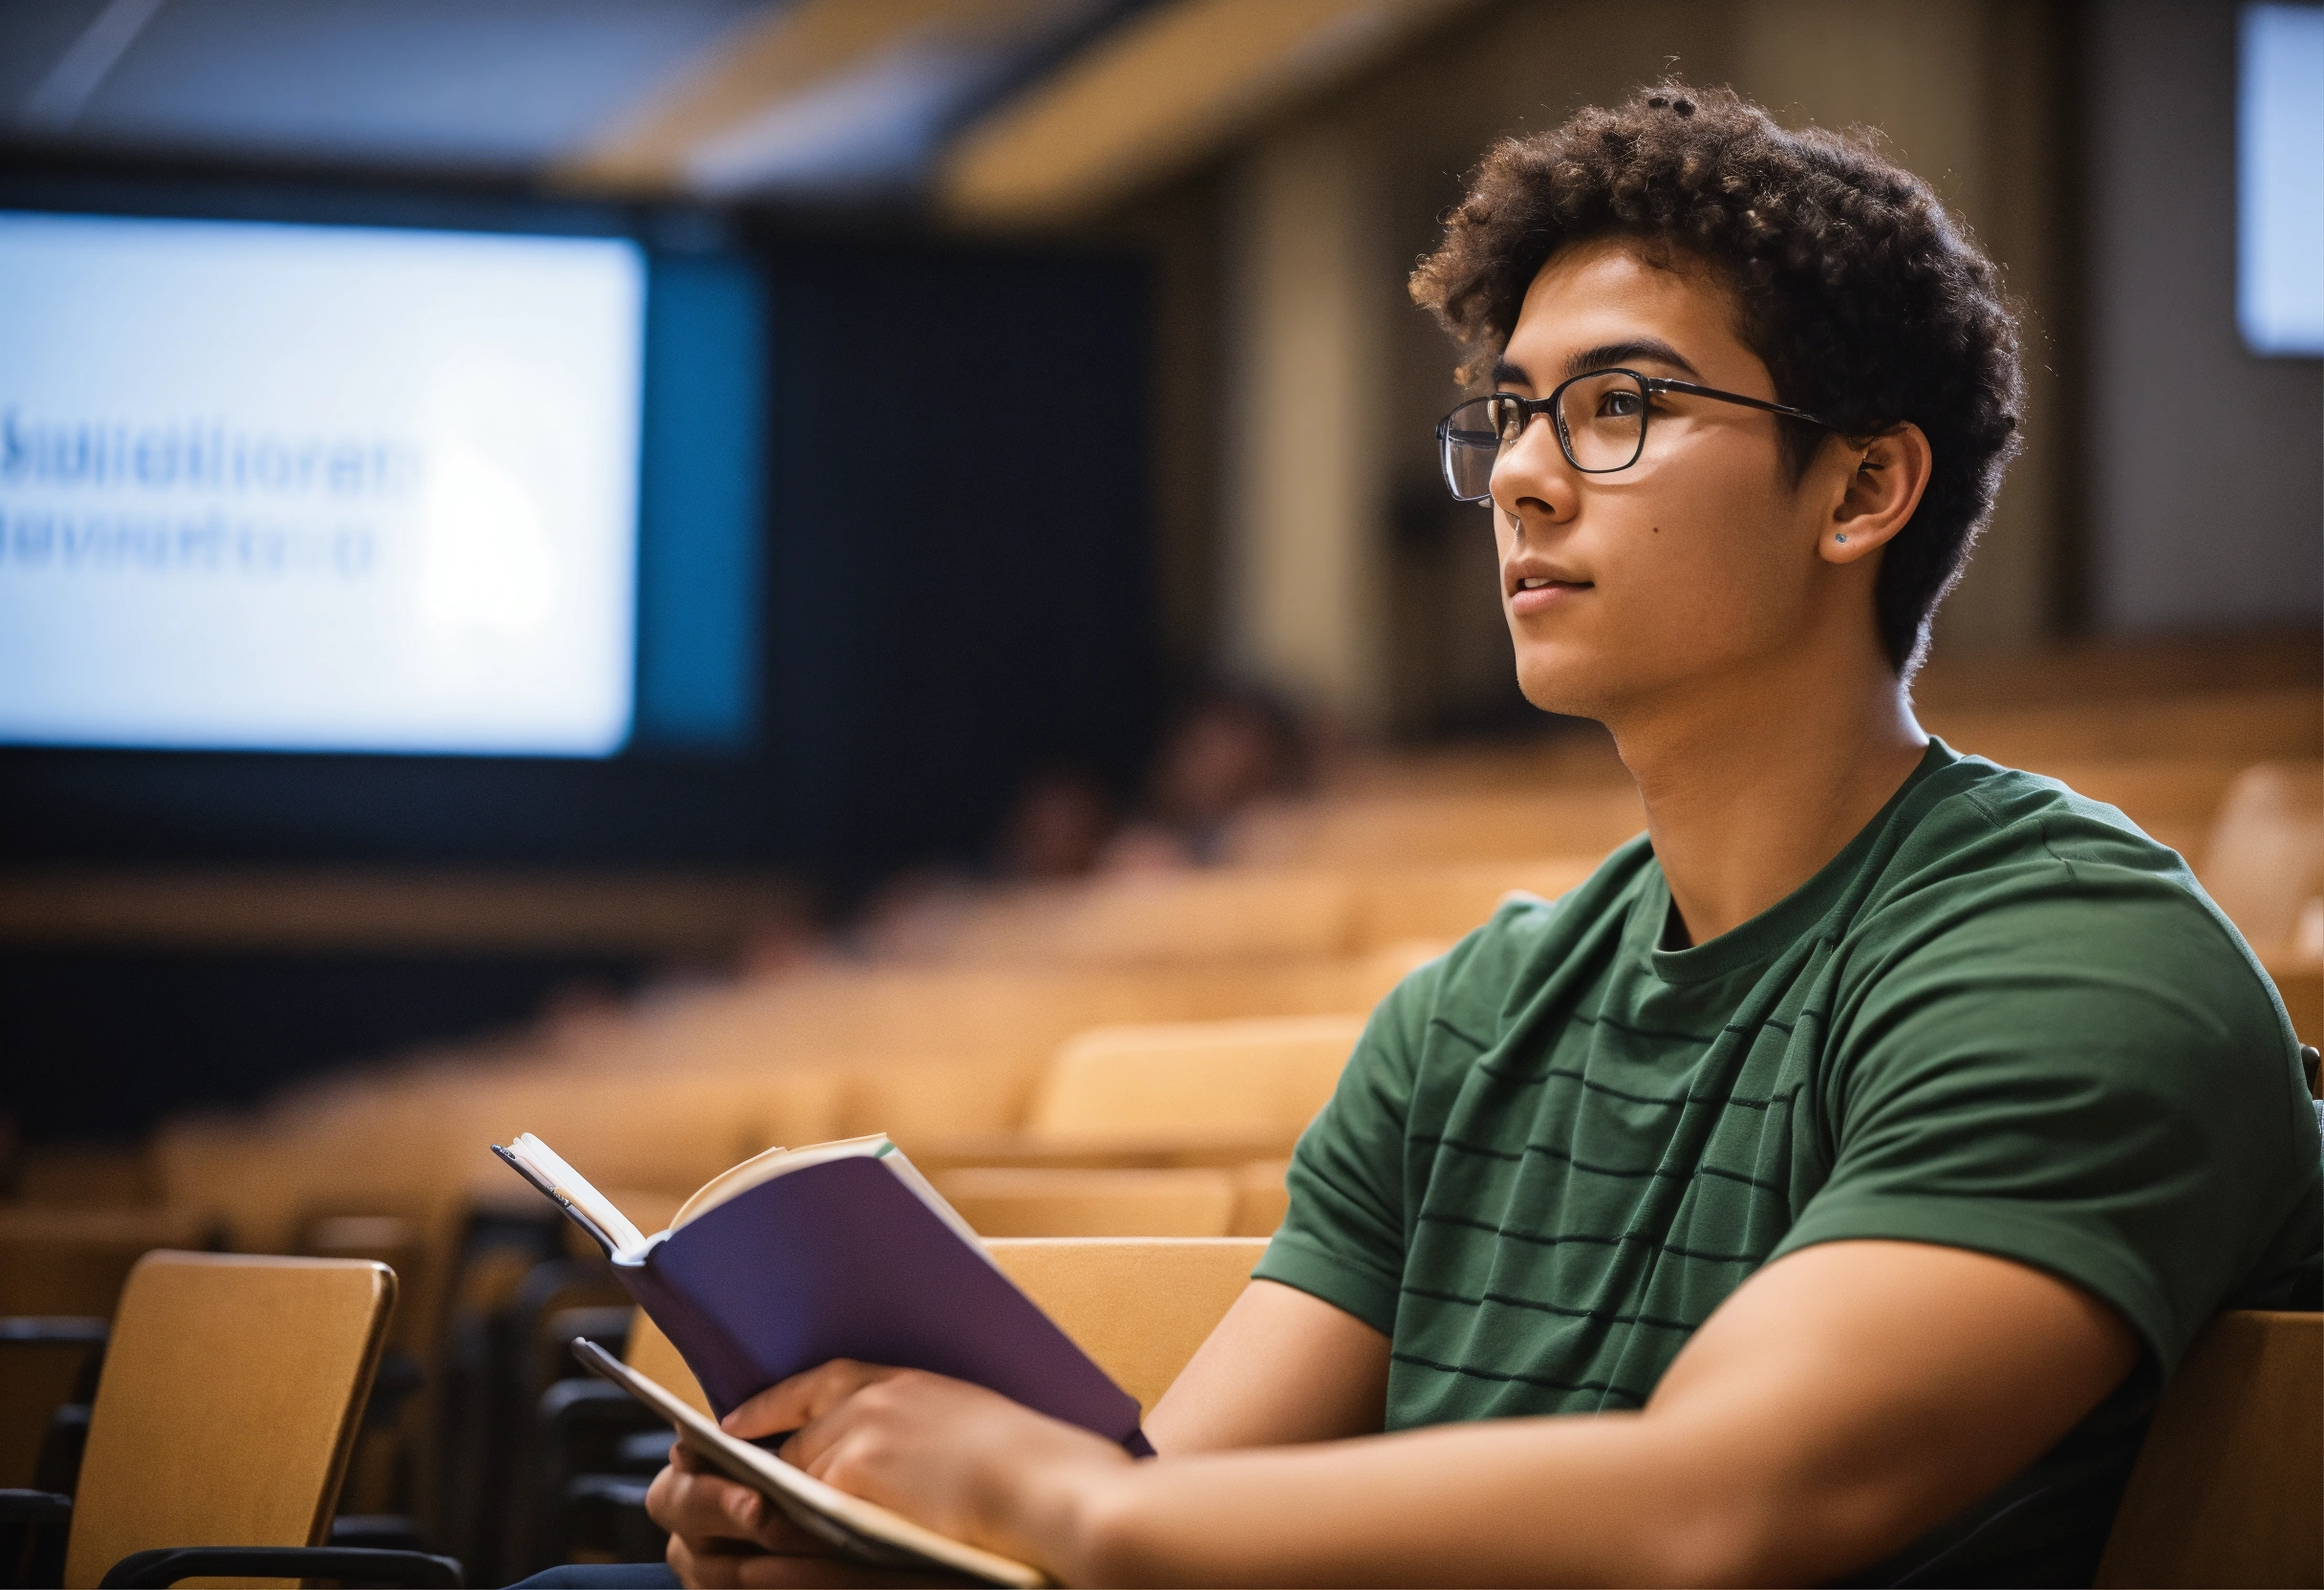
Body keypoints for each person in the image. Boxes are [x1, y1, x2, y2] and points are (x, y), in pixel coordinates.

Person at [617, 82, 2320, 1588]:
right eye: (1513, 411)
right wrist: (895, 1546)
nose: (1521, 476)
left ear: (1863, 490)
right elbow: (1173, 1511)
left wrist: (1063, 1508)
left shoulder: (2081, 962)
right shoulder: (1468, 1021)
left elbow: (1720, 1510)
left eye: (1620, 407)